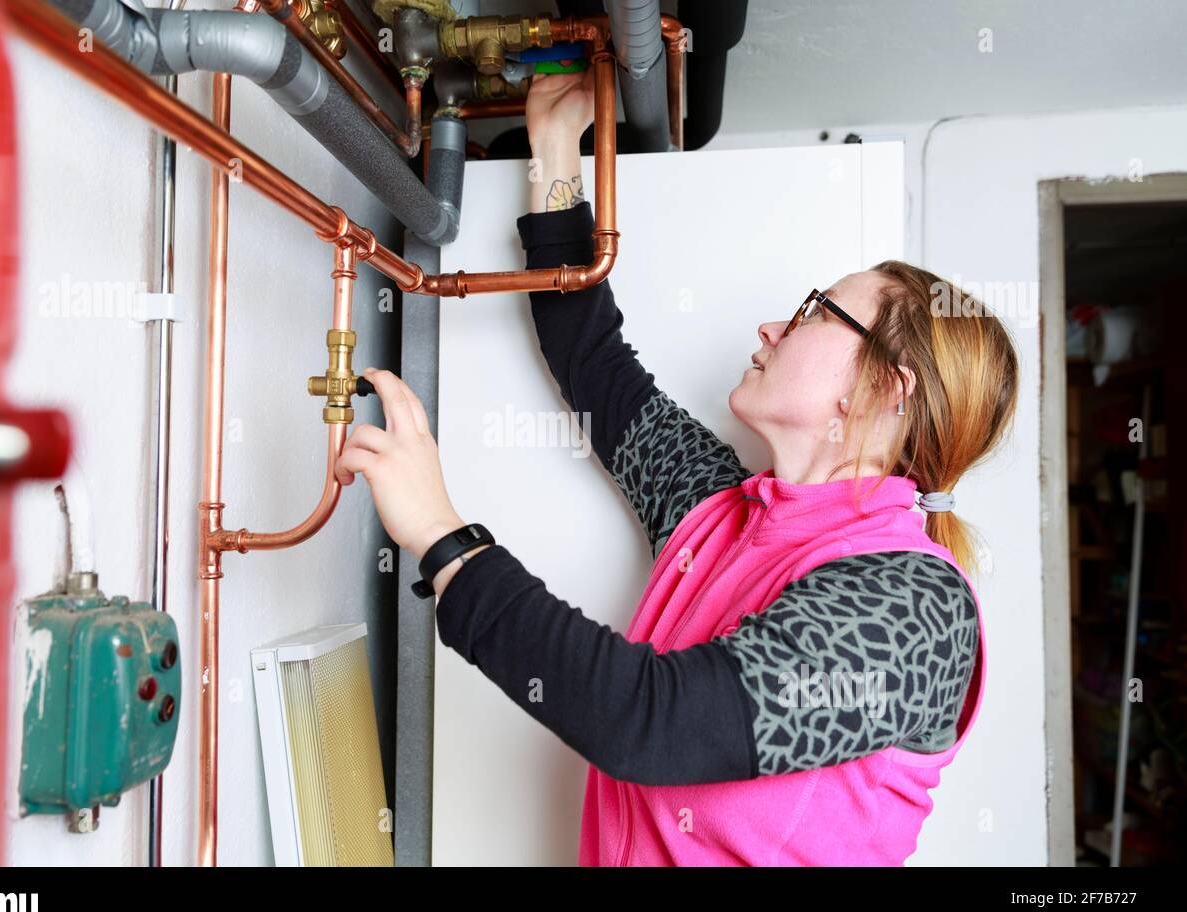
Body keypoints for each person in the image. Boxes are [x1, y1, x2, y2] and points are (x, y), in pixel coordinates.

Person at [334, 70, 1020, 866]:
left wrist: (447, 541)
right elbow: (593, 362)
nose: (772, 326)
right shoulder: (723, 512)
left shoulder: (918, 612)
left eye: (813, 312)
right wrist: (557, 147)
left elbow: (650, 723)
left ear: (885, 389)